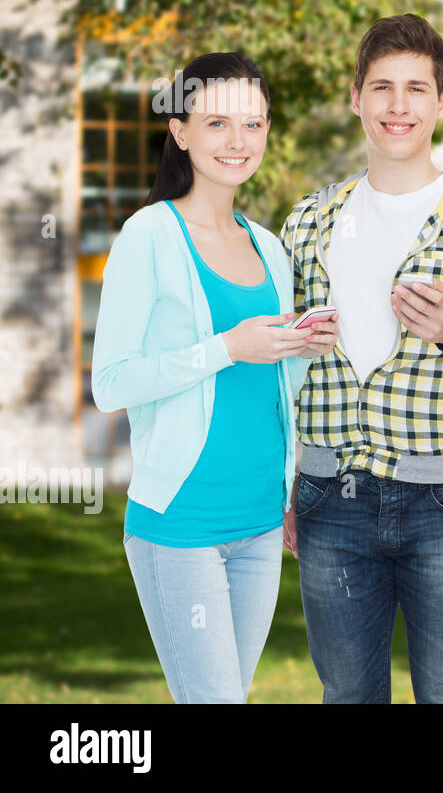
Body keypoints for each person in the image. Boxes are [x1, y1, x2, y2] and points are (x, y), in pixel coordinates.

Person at [280, 13, 443, 704]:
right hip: (328, 496)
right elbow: (286, 372)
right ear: (356, 97)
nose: (398, 106)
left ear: (441, 102)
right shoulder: (307, 222)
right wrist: (287, 484)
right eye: (382, 87)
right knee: (348, 697)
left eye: (416, 89)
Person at [92, 52, 337, 703]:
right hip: (181, 525)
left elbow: (270, 383)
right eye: (218, 123)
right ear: (180, 131)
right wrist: (225, 347)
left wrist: (301, 347)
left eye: (253, 125)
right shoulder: (148, 235)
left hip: (259, 520)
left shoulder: (269, 246)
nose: (238, 142)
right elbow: (110, 384)